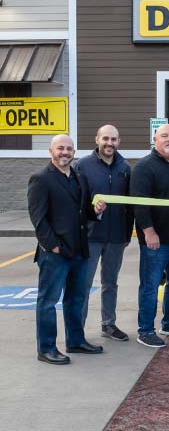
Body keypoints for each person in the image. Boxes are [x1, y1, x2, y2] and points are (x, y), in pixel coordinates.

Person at [28, 134, 106, 365]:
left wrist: (97, 210)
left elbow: (84, 212)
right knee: (48, 301)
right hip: (55, 254)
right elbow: (38, 219)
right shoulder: (41, 178)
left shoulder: (78, 176)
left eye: (69, 149)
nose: (65, 152)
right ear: (51, 151)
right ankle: (47, 348)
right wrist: (52, 246)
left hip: (80, 251)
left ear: (74, 153)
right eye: (60, 148)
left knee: (76, 298)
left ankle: (75, 341)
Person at [131, 123, 169, 348]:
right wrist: (149, 232)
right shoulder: (144, 167)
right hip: (156, 240)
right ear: (155, 139)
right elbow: (140, 204)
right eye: (164, 136)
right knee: (150, 285)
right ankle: (145, 330)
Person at [76, 124, 133, 342]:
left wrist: (127, 234)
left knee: (111, 283)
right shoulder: (83, 166)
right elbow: (78, 203)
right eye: (106, 139)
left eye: (114, 139)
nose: (110, 143)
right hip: (90, 237)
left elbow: (129, 206)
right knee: (84, 284)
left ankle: (108, 324)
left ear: (119, 142)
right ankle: (77, 329)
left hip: (116, 237)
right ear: (97, 139)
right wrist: (91, 213)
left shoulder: (124, 167)